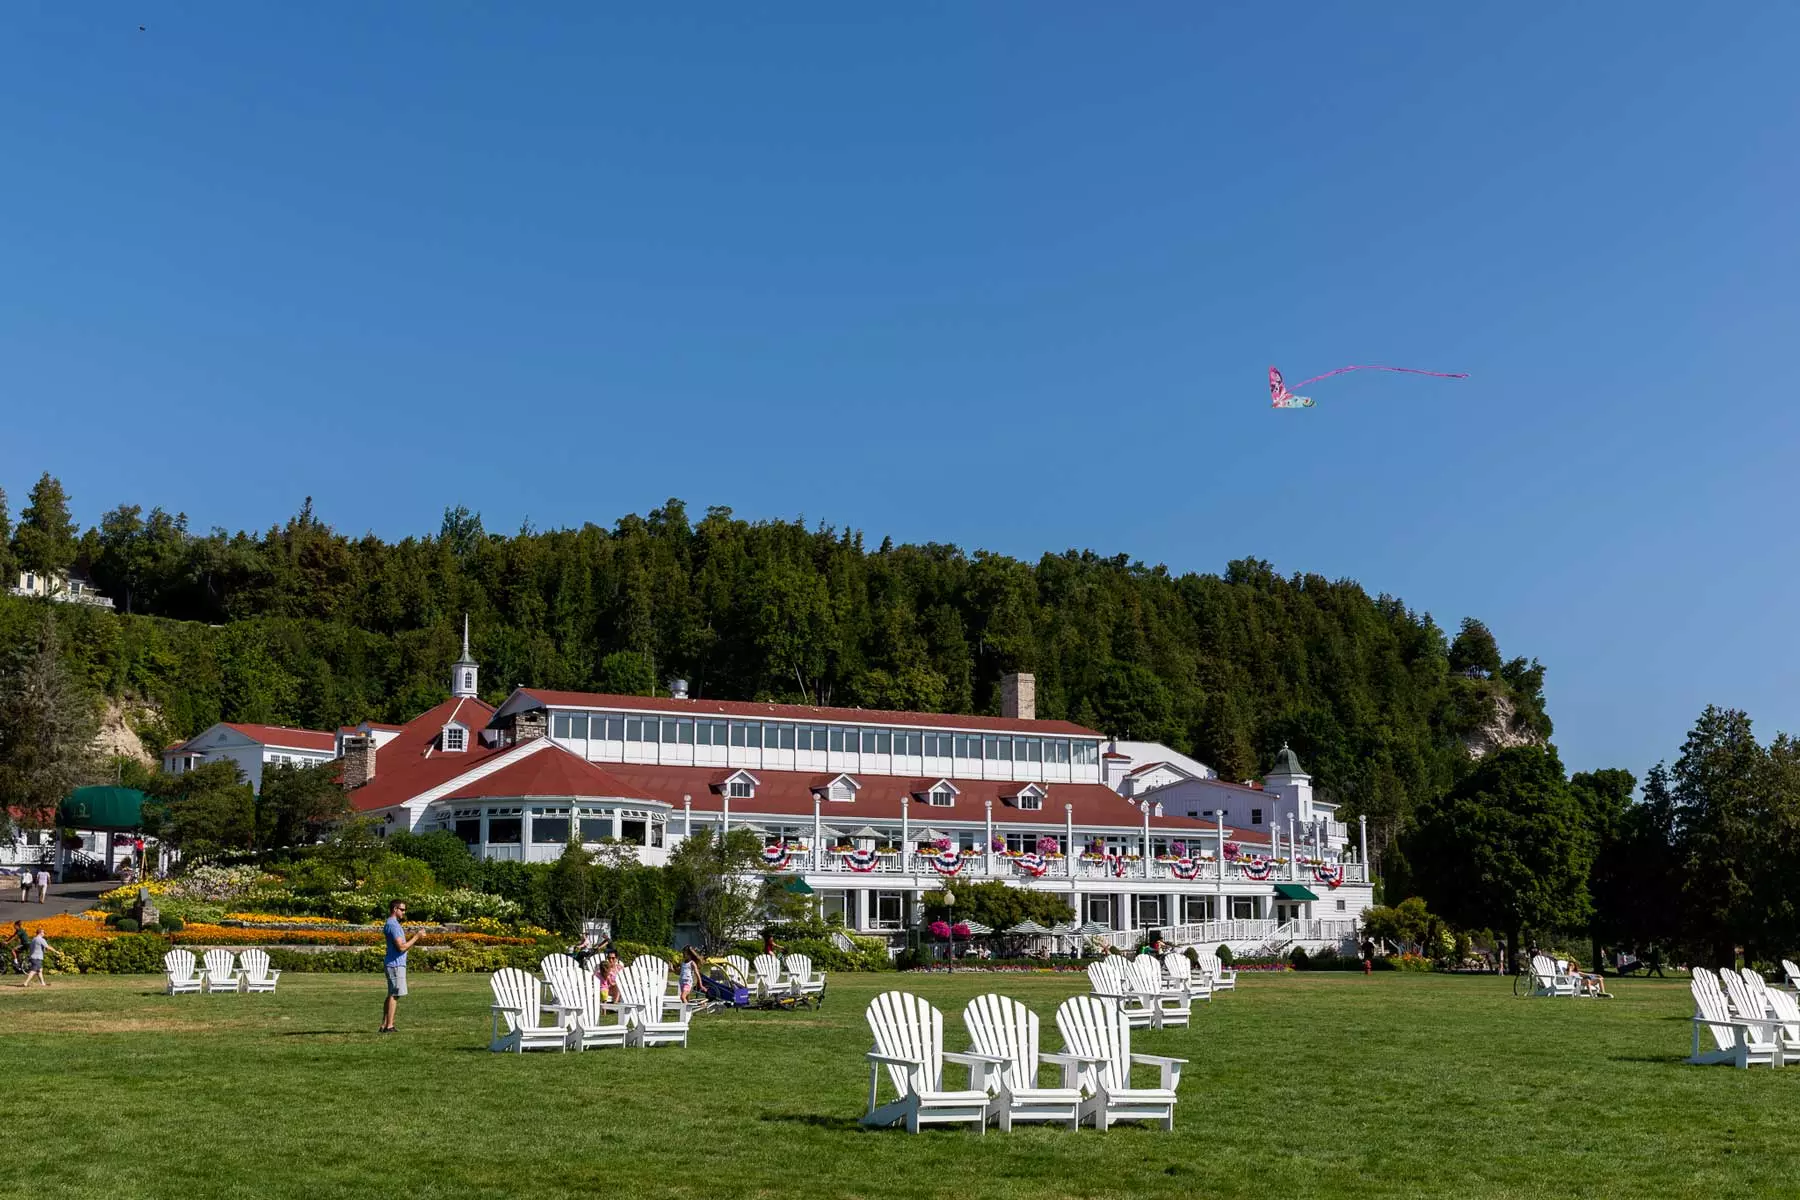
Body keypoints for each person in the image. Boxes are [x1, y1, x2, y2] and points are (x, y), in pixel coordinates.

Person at [379, 899, 421, 1033]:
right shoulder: (394, 925)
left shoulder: (390, 923)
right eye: (402, 909)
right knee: (395, 994)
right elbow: (401, 947)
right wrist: (417, 937)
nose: (404, 912)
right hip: (396, 964)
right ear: (395, 909)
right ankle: (389, 1026)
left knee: (391, 993)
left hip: (392, 963)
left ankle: (384, 1024)